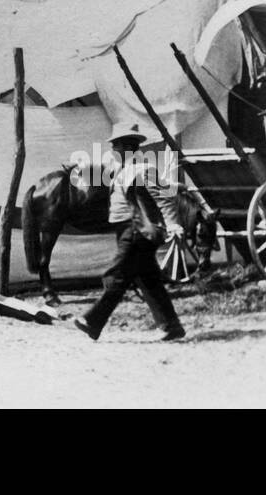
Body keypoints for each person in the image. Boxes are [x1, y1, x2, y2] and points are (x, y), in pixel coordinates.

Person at [73, 124, 185, 343]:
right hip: (126, 228)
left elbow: (164, 197)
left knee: (116, 275)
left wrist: (172, 224)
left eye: (117, 144)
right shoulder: (122, 168)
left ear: (128, 146)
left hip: (136, 229)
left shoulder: (142, 170)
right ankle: (172, 326)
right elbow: (99, 169)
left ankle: (92, 321)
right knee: (148, 279)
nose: (113, 148)